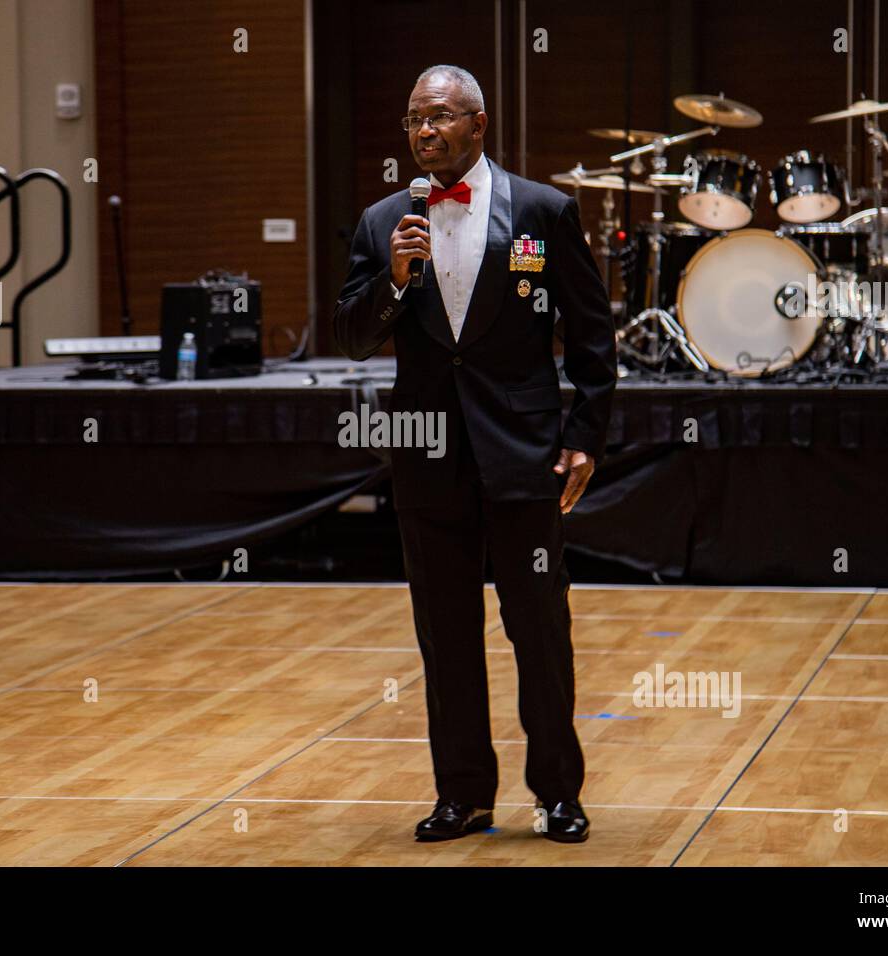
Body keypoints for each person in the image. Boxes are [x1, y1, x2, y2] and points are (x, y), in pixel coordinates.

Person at [333, 65, 616, 843]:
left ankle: (558, 792)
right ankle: (463, 795)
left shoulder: (544, 210)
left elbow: (592, 336)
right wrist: (393, 279)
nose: (427, 131)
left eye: (443, 117)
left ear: (479, 125)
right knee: (445, 633)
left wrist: (585, 436)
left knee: (539, 629)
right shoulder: (383, 220)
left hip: (524, 457)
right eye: (416, 119)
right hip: (427, 460)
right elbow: (351, 335)